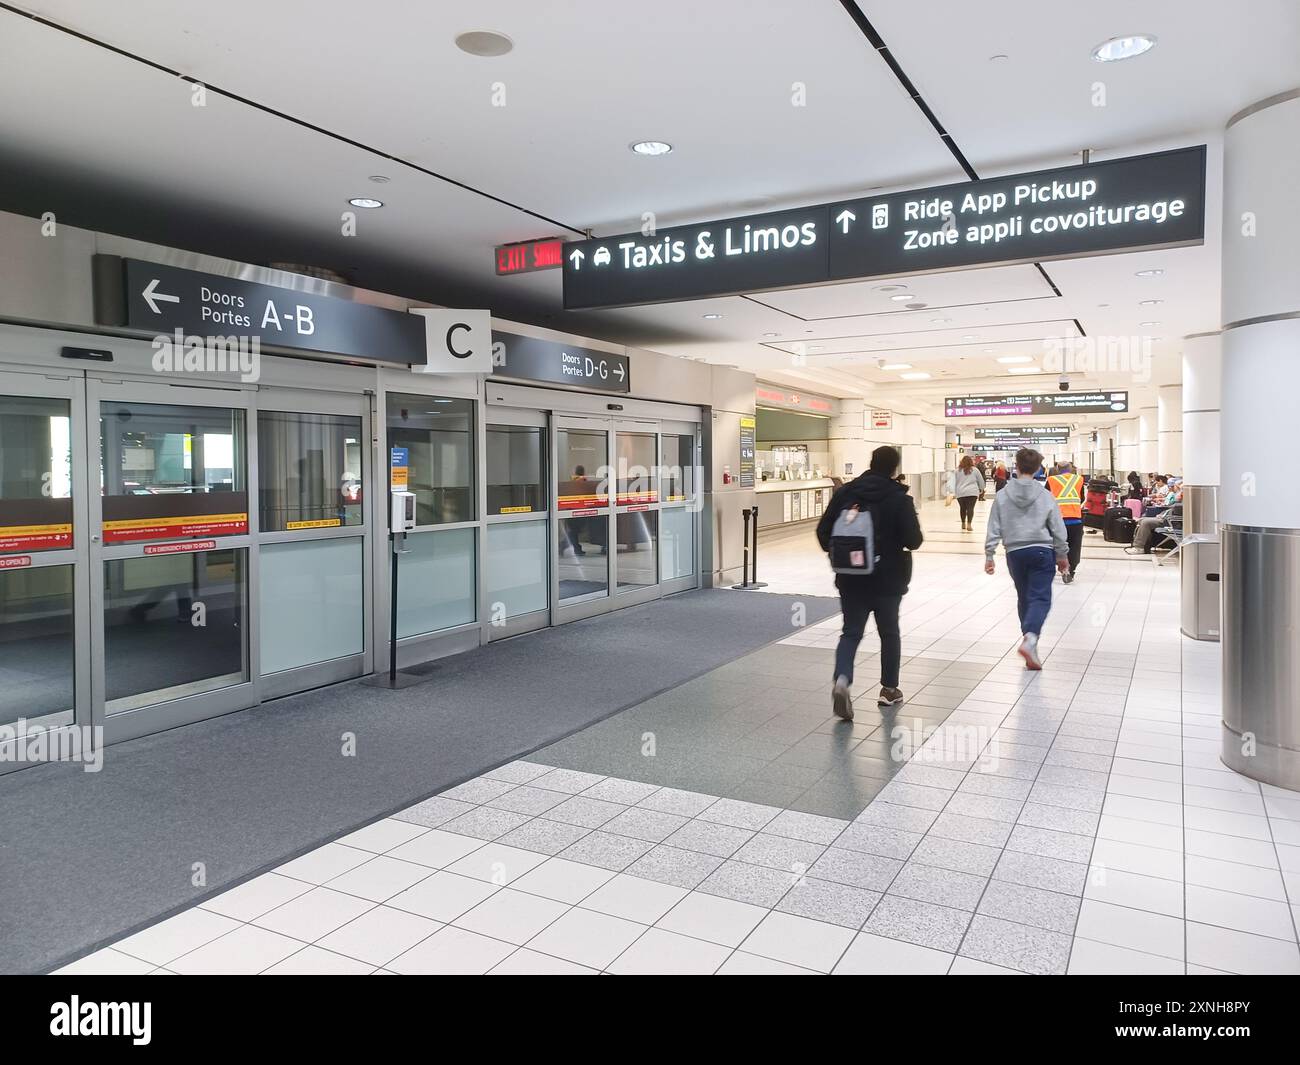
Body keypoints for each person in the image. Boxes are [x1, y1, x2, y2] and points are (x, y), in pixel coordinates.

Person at [817, 444, 923, 720]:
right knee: (889, 633)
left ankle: (842, 679)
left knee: (851, 632)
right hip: (888, 579)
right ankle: (889, 690)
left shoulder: (845, 493)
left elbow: (823, 532)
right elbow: (914, 540)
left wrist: (845, 554)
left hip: (851, 578)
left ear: (871, 462)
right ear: (894, 468)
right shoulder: (899, 498)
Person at [984, 447, 1069, 670]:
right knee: (1040, 597)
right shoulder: (1044, 495)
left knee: (1024, 598)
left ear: (1017, 466)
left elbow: (994, 525)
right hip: (1041, 551)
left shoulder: (1003, 495)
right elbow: (1058, 527)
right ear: (1039, 468)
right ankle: (1031, 639)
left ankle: (1030, 642)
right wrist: (1062, 554)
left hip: (1015, 553)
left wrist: (989, 555)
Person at [1046, 461, 1085, 584]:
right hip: (1075, 519)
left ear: (1057, 469)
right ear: (1071, 469)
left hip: (1057, 520)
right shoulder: (1079, 480)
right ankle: (1070, 570)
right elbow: (1082, 498)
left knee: (1055, 545)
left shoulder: (1051, 480)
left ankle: (1060, 566)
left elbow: (1044, 498)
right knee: (1074, 546)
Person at [953, 455, 983, 532]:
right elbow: (981, 480)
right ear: (971, 462)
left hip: (960, 492)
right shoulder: (975, 470)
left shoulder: (957, 471)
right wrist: (981, 489)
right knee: (970, 508)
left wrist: (953, 491)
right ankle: (969, 524)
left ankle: (963, 523)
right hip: (972, 492)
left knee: (962, 508)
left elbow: (953, 482)